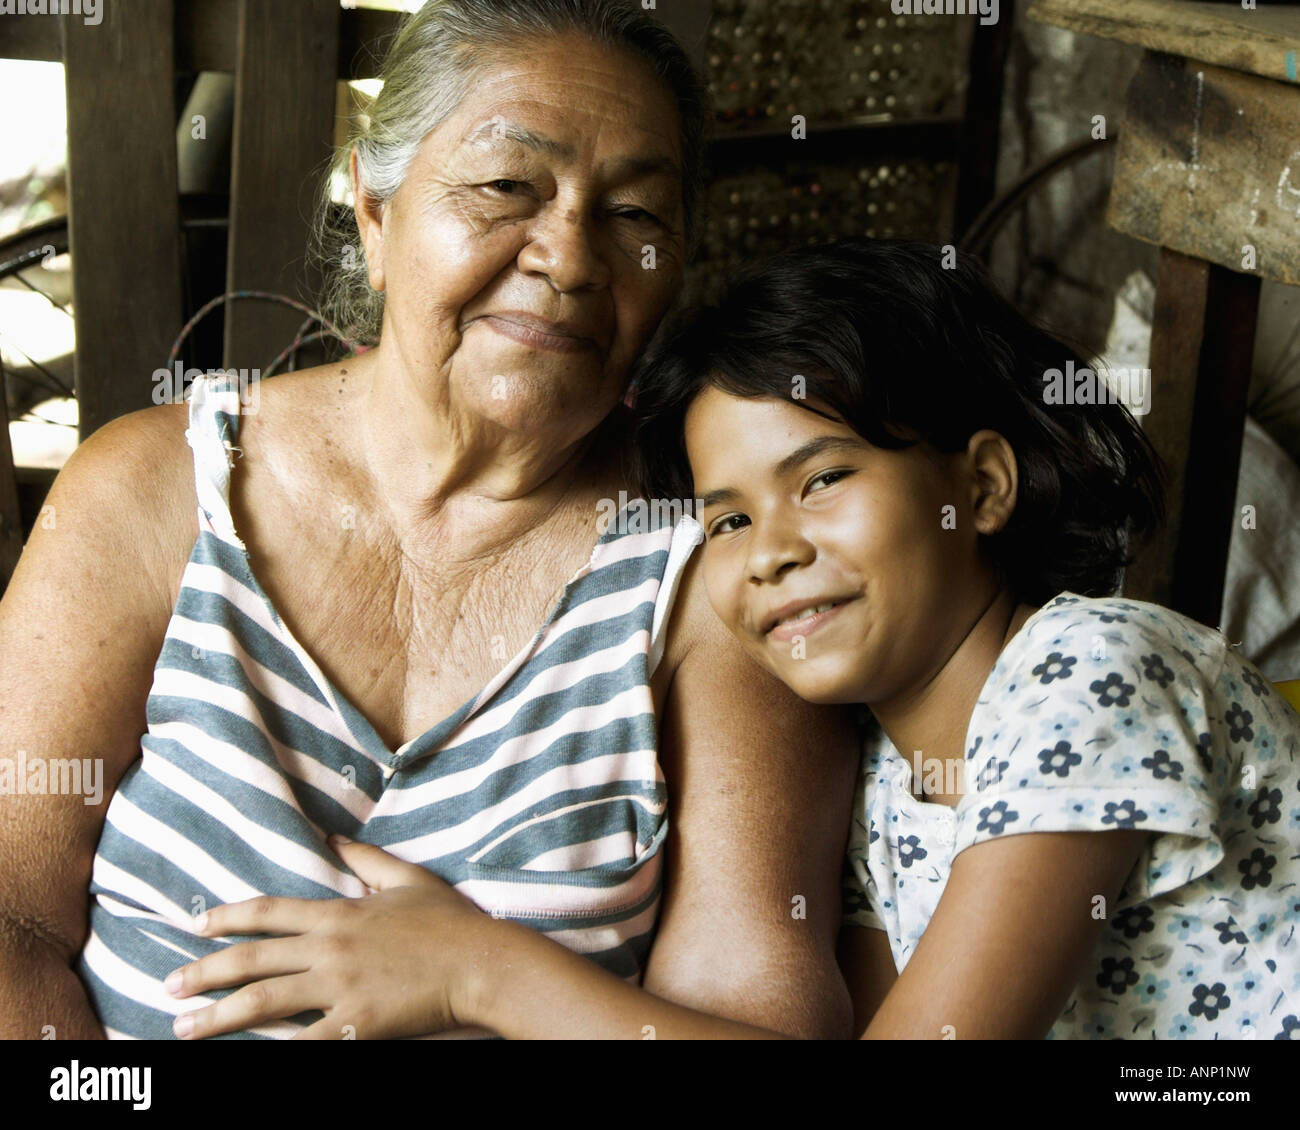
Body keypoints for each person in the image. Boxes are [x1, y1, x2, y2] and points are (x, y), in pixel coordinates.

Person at [165, 237, 1300, 1039]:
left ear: (982, 484)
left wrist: (480, 972)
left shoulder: (1085, 673)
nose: (770, 550)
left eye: (825, 478)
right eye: (727, 517)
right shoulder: (877, 783)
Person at [0, 0, 859, 1041]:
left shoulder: (718, 577)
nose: (573, 257)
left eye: (635, 215)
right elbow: (12, 921)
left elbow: (764, 1022)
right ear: (374, 212)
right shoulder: (152, 490)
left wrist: (488, 974)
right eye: (506, 186)